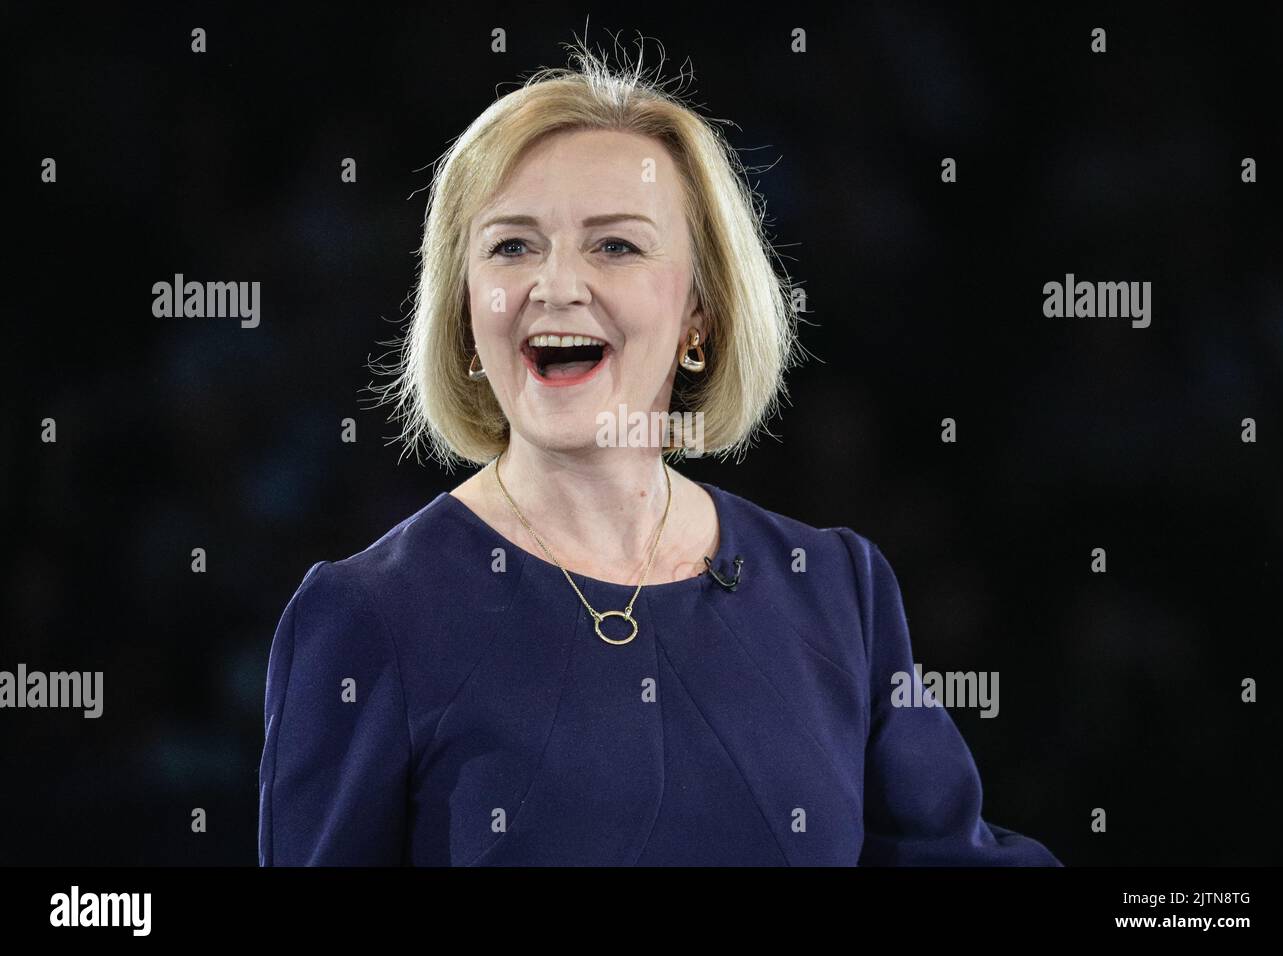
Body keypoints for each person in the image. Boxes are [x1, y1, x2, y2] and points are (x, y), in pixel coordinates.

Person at [257, 40, 1062, 867]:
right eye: (511, 246)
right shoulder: (369, 617)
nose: (557, 285)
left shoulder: (832, 589)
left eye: (616, 246)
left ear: (699, 317)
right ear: (465, 313)